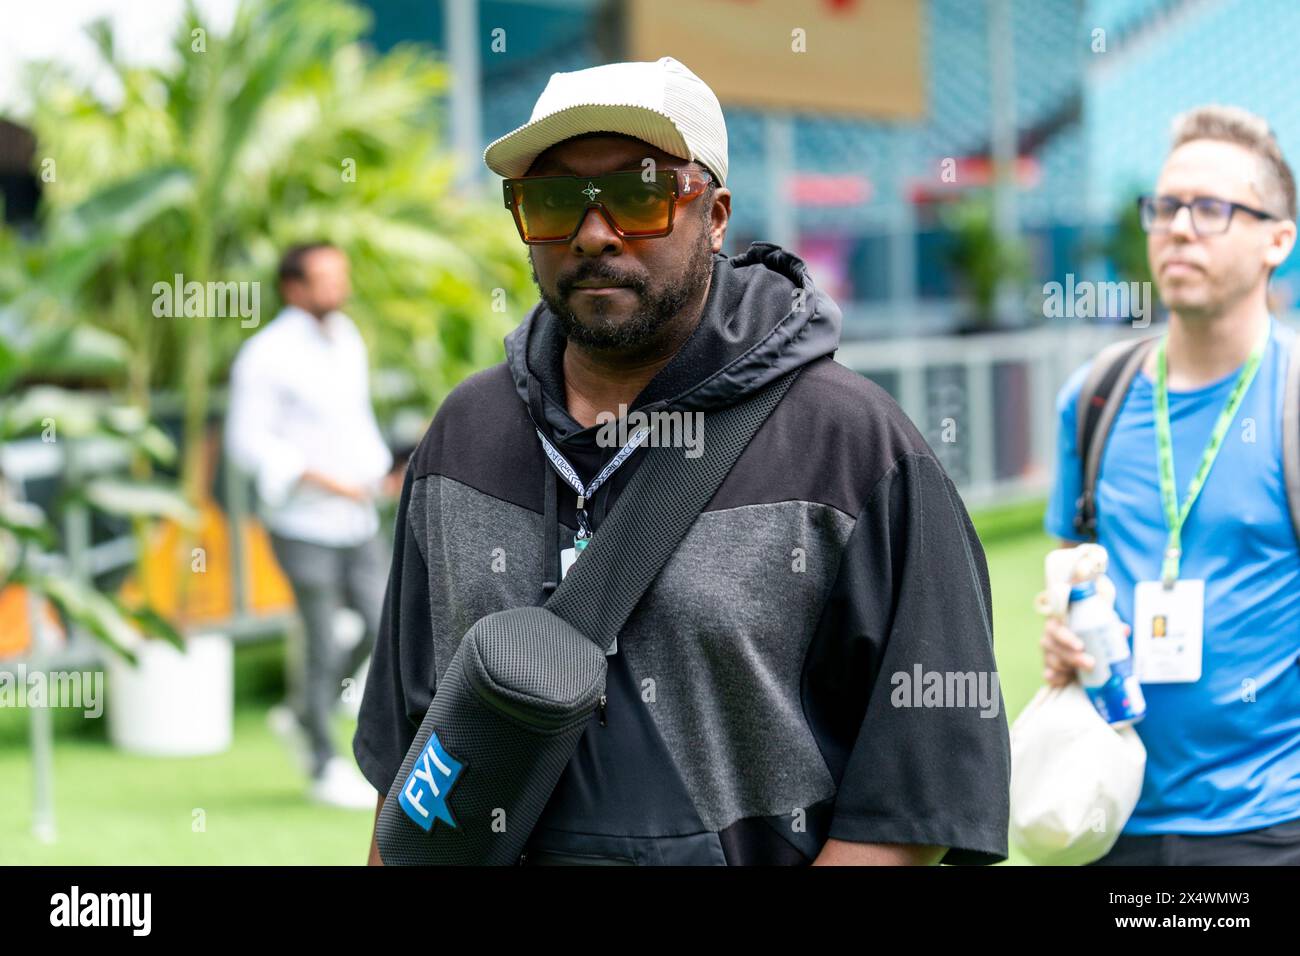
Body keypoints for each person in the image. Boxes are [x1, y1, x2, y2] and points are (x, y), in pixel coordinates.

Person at [356, 56, 1009, 865]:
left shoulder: (852, 444)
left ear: (717, 214)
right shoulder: (464, 436)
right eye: (557, 200)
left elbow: (911, 803)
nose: (595, 234)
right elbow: (411, 768)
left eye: (638, 194)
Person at [1044, 105, 1300, 864]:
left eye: (1213, 208)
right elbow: (1072, 576)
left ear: (1277, 240)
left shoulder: (1292, 400)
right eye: (1166, 206)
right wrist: (1064, 632)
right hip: (1110, 815)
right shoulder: (1094, 396)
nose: (1180, 227)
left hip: (1273, 823)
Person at [226, 242, 396, 809]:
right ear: (293, 288)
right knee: (321, 641)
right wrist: (322, 480)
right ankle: (322, 762)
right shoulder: (264, 355)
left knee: (383, 623)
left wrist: (377, 475)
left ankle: (302, 710)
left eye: (340, 275)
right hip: (301, 524)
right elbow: (247, 443)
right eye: (325, 279)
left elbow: (355, 420)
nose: (338, 288)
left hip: (357, 517)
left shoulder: (346, 337)